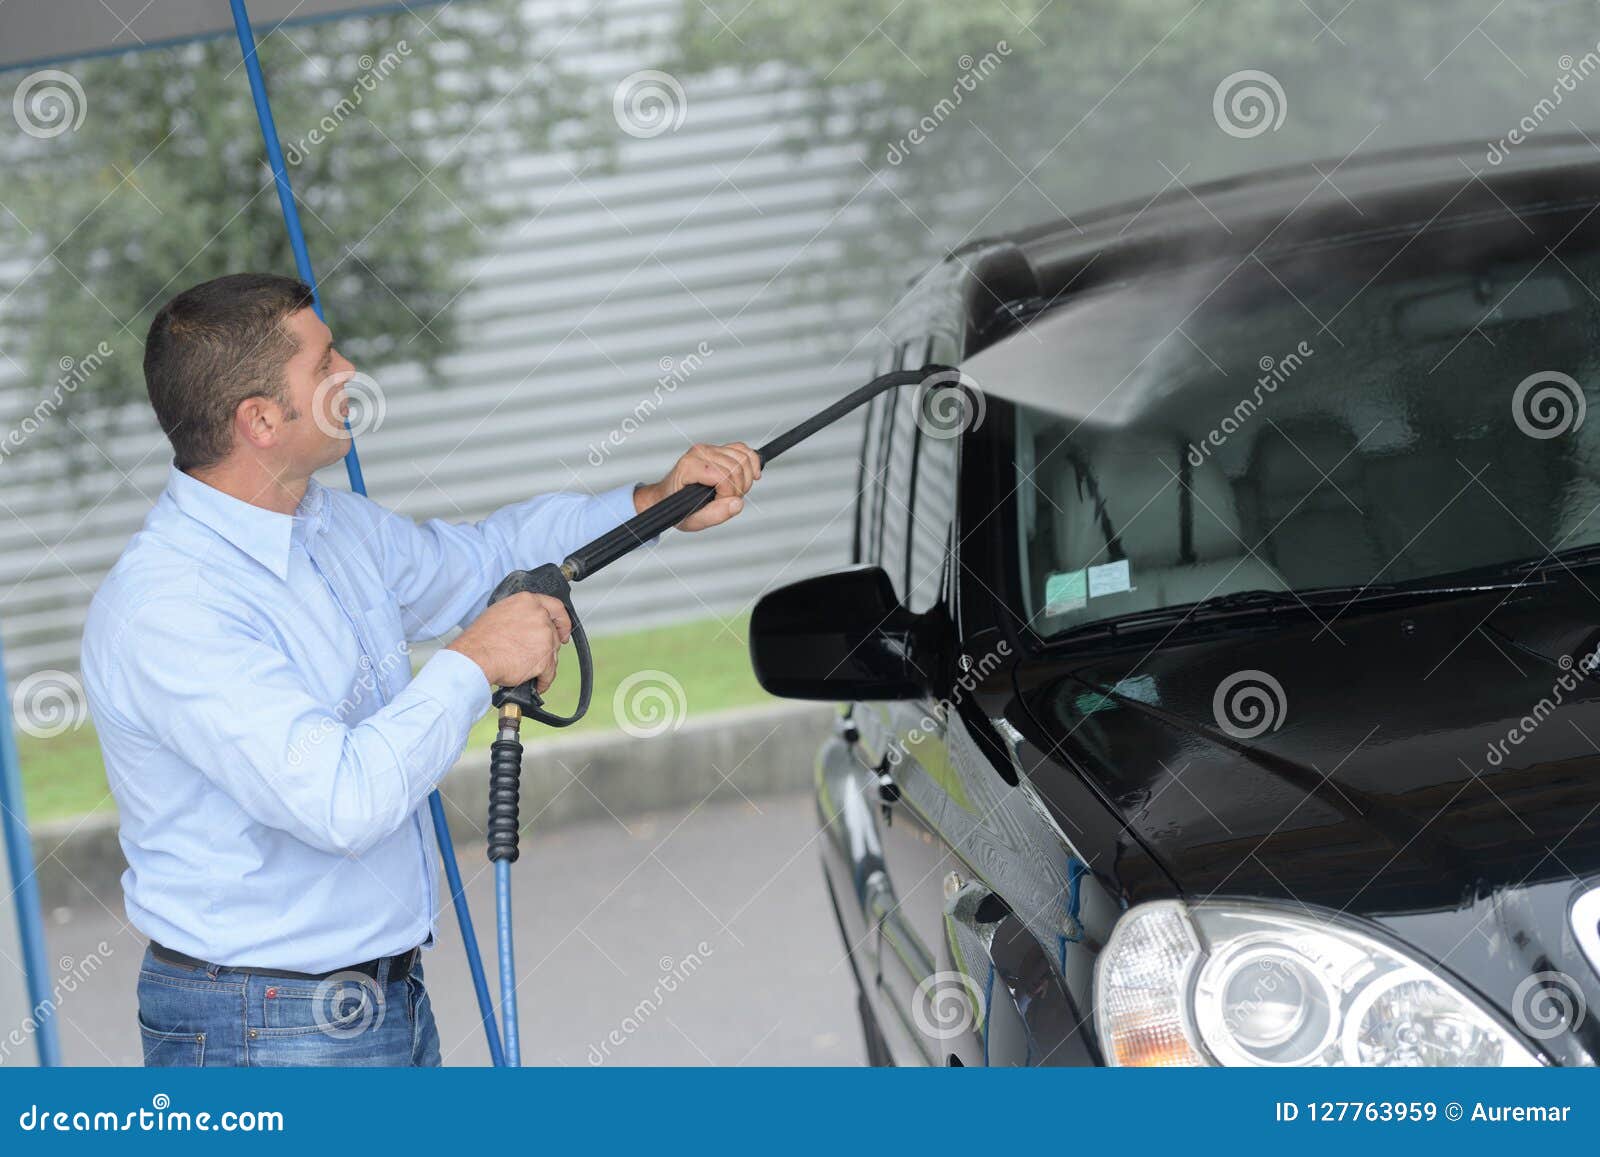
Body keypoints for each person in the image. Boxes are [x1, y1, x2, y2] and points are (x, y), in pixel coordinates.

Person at [80, 273, 761, 1067]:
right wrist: (475, 660)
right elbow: (341, 799)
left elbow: (490, 558)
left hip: (376, 1000)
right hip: (266, 1029)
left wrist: (657, 501)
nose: (350, 374)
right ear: (260, 419)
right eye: (325, 362)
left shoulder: (329, 525)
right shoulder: (172, 607)